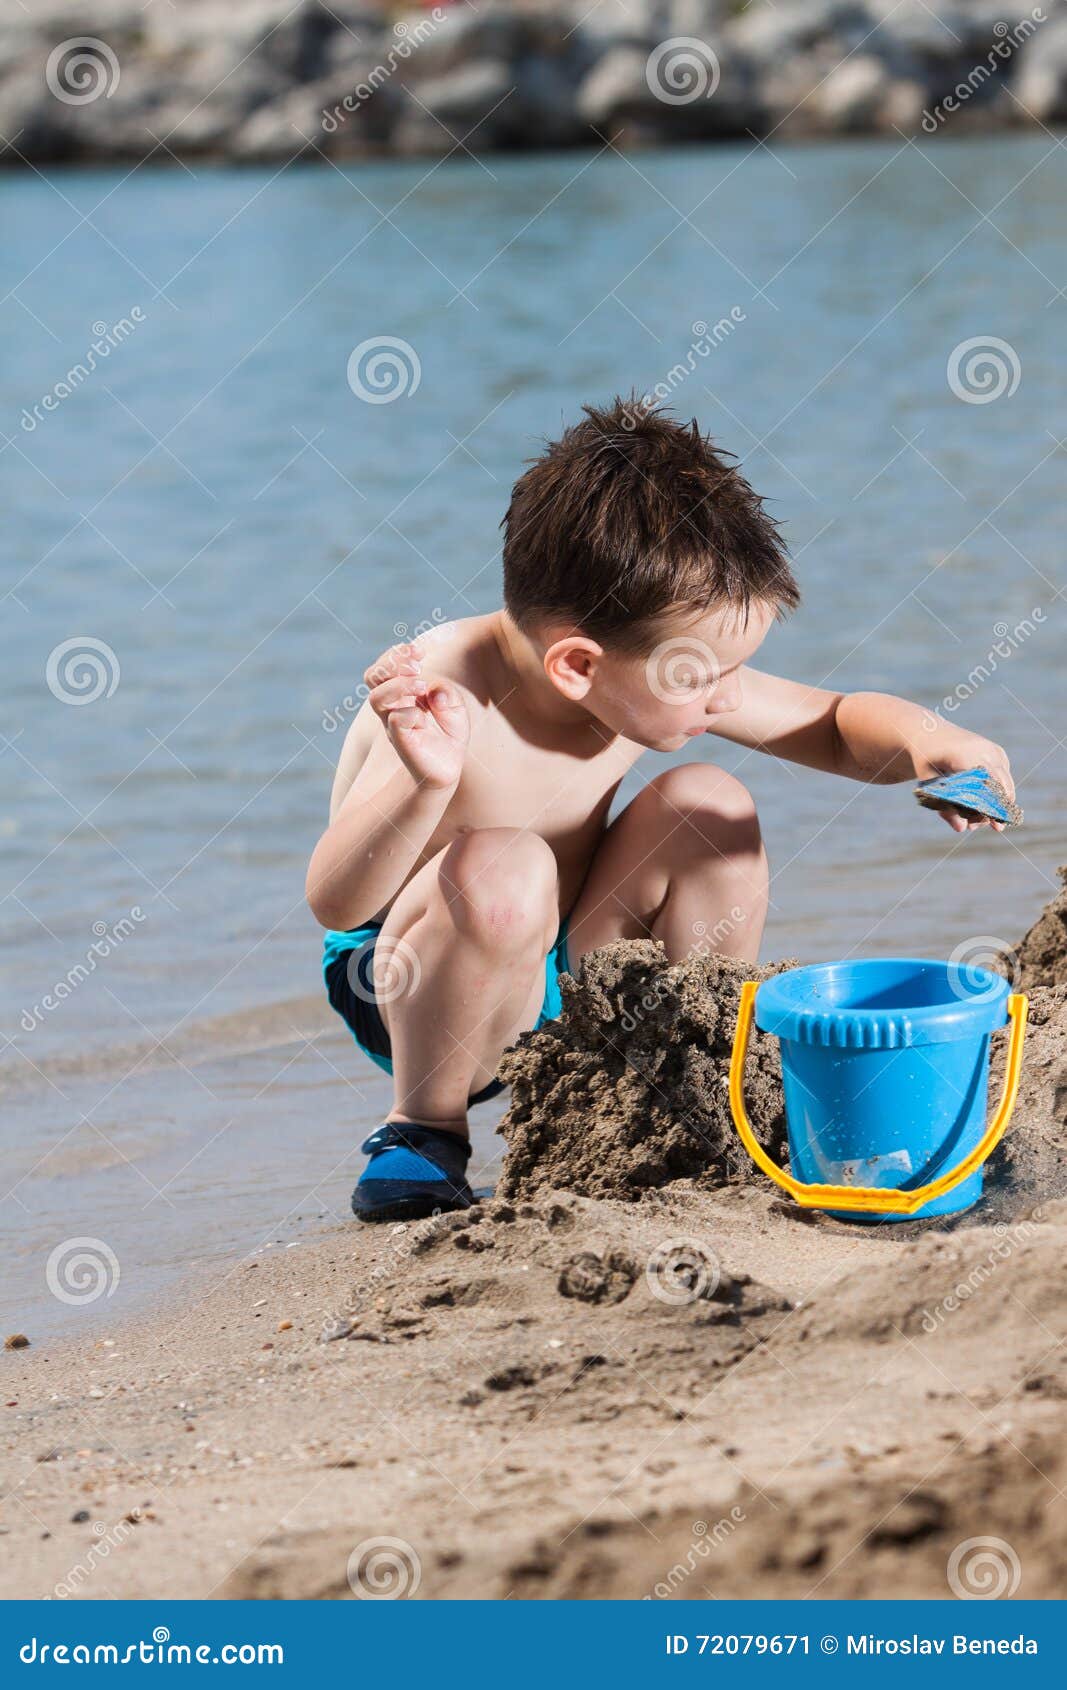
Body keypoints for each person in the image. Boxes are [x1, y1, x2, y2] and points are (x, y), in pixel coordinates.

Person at [307, 398, 1015, 1221]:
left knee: (708, 803)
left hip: (572, 960)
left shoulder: (643, 659)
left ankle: (688, 1073)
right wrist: (423, 782)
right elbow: (337, 900)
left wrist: (936, 741)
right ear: (577, 664)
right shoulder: (438, 695)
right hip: (421, 987)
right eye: (703, 677)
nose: (725, 700)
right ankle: (424, 1133)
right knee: (502, 863)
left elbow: (827, 726)